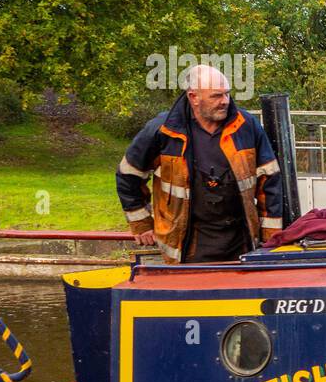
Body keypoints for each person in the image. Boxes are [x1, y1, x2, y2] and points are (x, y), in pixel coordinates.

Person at [116, 65, 282, 263]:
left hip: (240, 243)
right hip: (187, 247)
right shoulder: (164, 130)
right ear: (193, 97)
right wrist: (141, 223)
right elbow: (128, 174)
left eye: (227, 94)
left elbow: (269, 180)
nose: (225, 101)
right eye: (216, 96)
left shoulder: (246, 126)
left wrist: (271, 237)